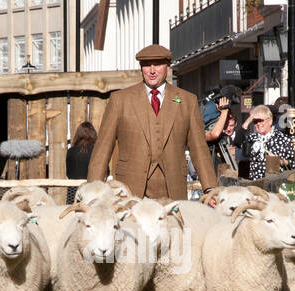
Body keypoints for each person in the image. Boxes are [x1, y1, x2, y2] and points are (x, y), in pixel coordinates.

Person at [86, 44, 217, 200]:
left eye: (158, 64)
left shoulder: (187, 101)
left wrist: (210, 189)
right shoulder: (120, 100)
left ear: (167, 67)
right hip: (130, 191)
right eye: (147, 65)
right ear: (141, 68)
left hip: (172, 190)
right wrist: (92, 191)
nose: (152, 70)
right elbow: (102, 149)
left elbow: (199, 149)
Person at [244, 105, 294, 181]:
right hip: (254, 185)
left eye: (261, 120)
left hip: (276, 185)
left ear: (270, 121)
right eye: (255, 121)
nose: (258, 124)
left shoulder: (283, 139)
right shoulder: (251, 138)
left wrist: (282, 162)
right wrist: (248, 121)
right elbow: (237, 142)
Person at [66, 121, 97, 203]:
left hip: (74, 191)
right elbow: (106, 172)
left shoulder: (71, 151)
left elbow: (68, 173)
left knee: (73, 213)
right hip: (92, 191)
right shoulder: (97, 152)